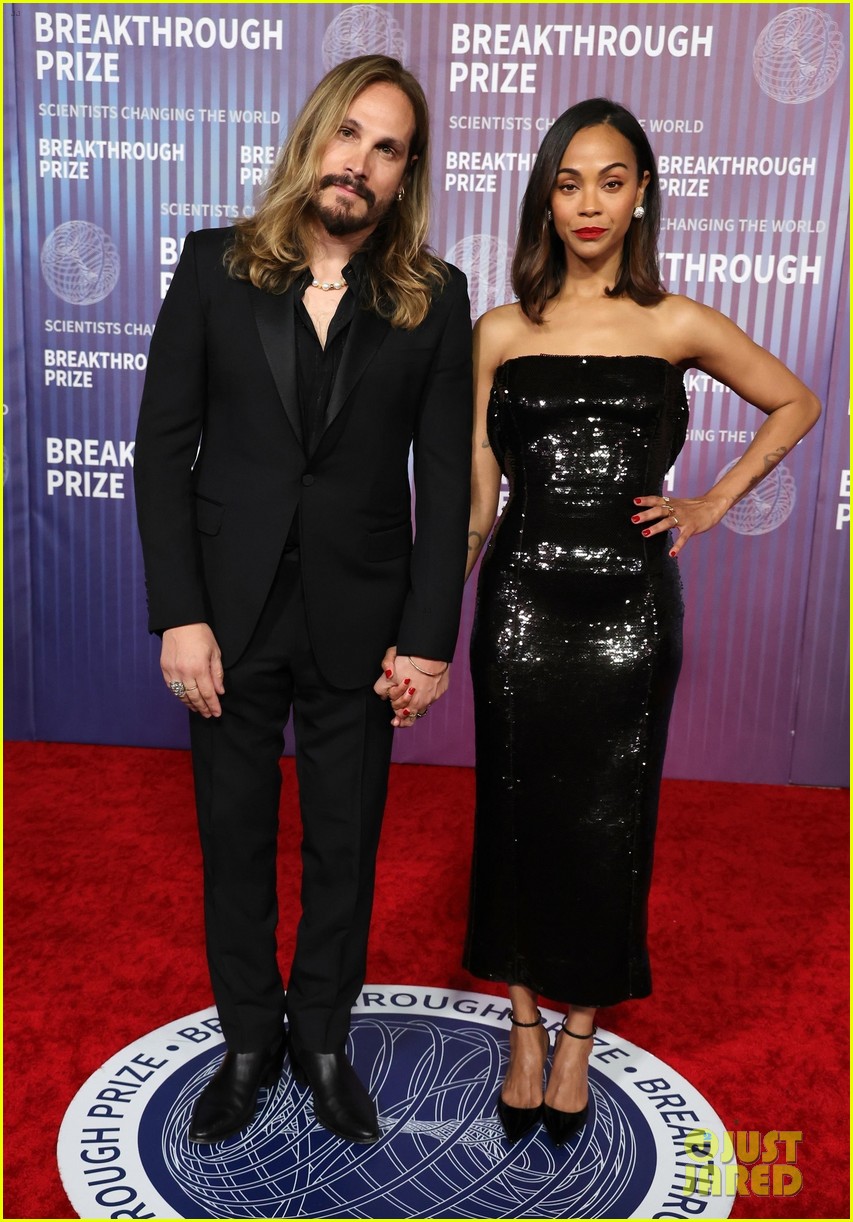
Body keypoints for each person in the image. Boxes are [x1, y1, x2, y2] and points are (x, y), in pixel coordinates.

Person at [461, 98, 820, 1147]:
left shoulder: (677, 322)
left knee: (607, 818)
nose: (587, 202)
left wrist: (710, 501)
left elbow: (793, 401)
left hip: (629, 613)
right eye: (568, 182)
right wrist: (441, 611)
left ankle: (577, 1035)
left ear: (641, 193)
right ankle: (523, 1026)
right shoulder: (498, 329)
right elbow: (479, 490)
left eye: (609, 180)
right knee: (519, 811)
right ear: (544, 196)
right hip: (520, 603)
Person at [134, 55, 472, 1147]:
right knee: (232, 836)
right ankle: (248, 1039)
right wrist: (178, 613)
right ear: (312, 136)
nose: (360, 163)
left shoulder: (435, 294)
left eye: (387, 149)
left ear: (404, 173)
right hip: (225, 617)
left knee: (345, 838)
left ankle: (321, 1038)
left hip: (361, 618)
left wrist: (427, 639)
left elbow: (445, 478)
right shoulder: (214, 266)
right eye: (349, 135)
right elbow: (161, 453)